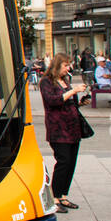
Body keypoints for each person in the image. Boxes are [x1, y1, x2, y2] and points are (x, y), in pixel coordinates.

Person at [39, 53, 89, 211]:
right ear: (57, 65)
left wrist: (80, 103)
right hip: (58, 129)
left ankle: (63, 196)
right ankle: (55, 198)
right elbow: (53, 101)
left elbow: (69, 103)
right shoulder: (46, 82)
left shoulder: (65, 80)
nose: (69, 68)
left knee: (71, 163)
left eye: (69, 65)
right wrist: (73, 91)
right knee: (63, 162)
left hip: (73, 128)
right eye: (66, 65)